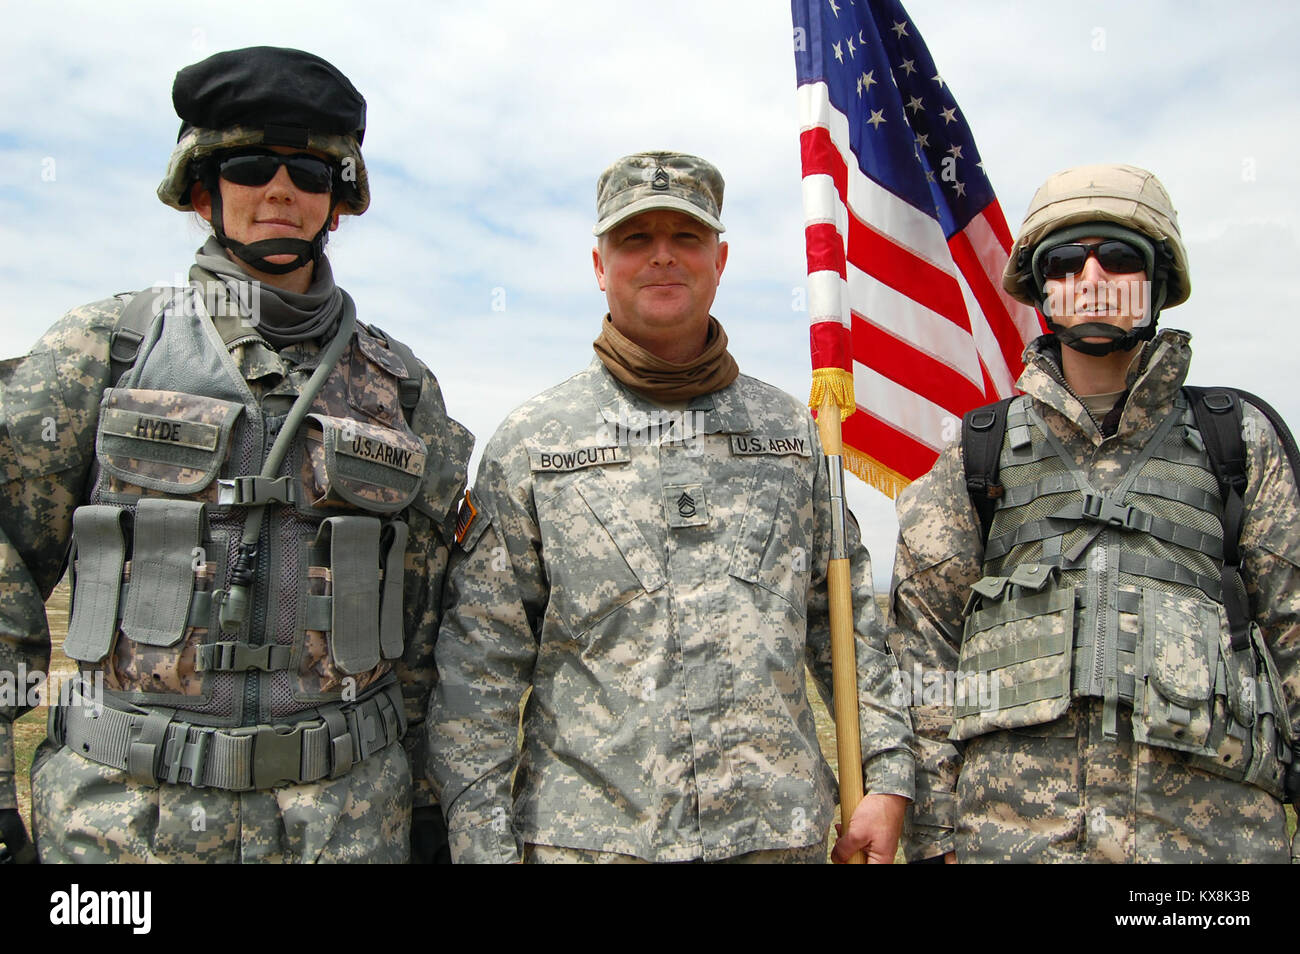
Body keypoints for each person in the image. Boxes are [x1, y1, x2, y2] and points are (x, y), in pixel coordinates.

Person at [0, 46, 472, 864]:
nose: (281, 189)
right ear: (200, 188)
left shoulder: (402, 388)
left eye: (310, 172)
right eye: (251, 165)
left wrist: (429, 805)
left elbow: (429, 627)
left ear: (342, 200)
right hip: (123, 828)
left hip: (346, 825)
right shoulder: (105, 349)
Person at [427, 150, 913, 864]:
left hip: (776, 841)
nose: (662, 257)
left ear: (719, 260)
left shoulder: (792, 437)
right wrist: (483, 848)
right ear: (599, 265)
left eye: (685, 238)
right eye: (635, 239)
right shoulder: (533, 443)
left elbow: (845, 623)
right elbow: (480, 670)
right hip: (589, 848)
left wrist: (887, 777)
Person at [888, 163, 1300, 863]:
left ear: (1159, 283)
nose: (1092, 277)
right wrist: (936, 839)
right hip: (1013, 843)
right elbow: (924, 646)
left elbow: (1291, 629)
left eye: (1118, 258)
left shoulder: (1240, 440)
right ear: (1044, 290)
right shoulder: (977, 451)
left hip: (1210, 851)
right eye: (1066, 262)